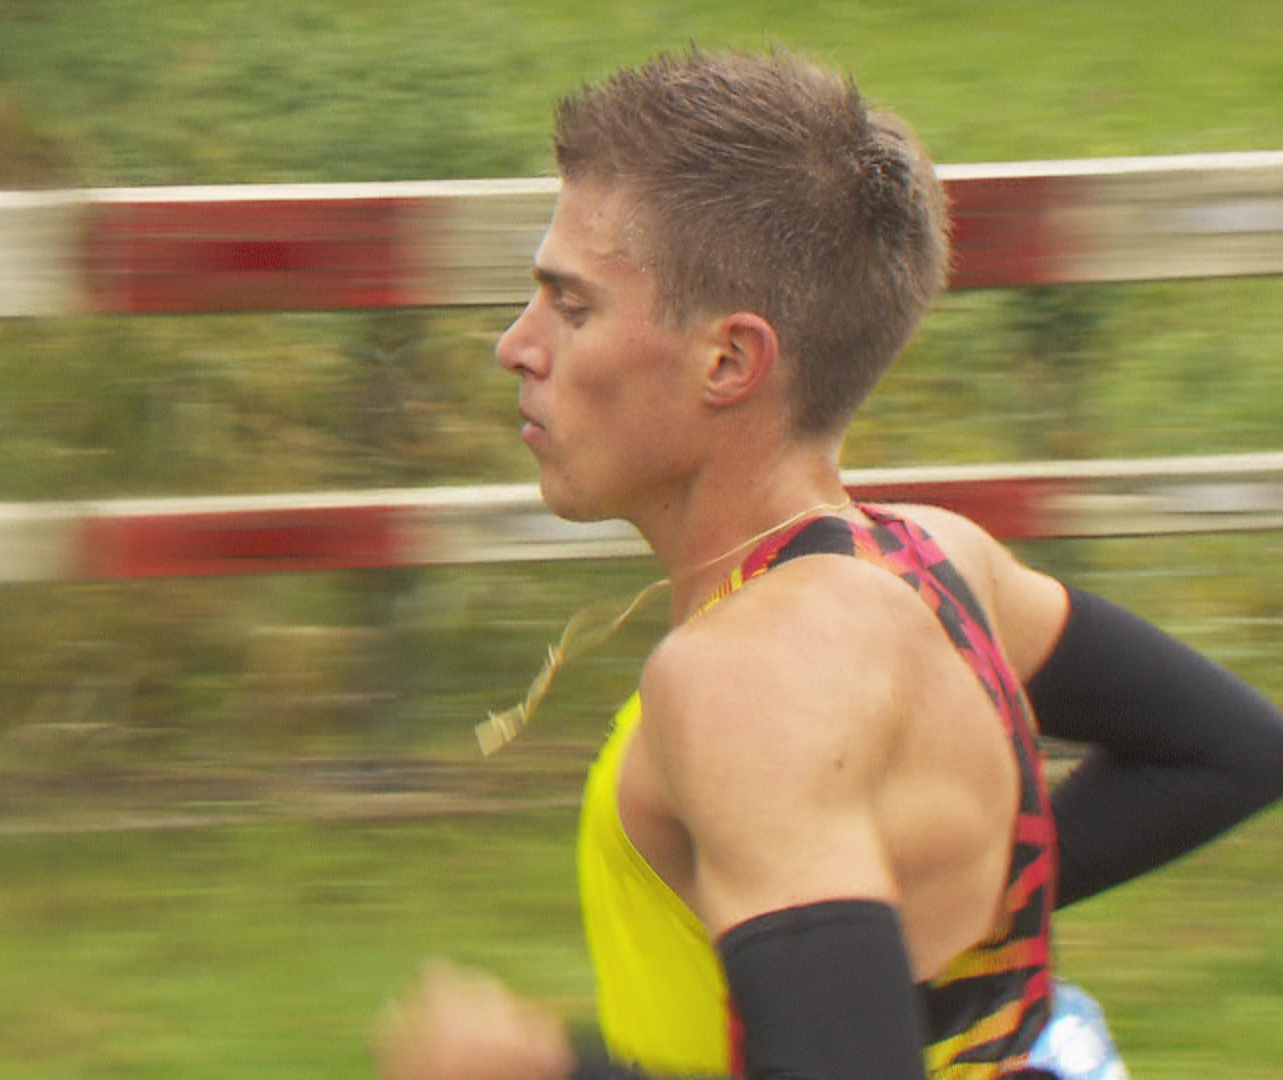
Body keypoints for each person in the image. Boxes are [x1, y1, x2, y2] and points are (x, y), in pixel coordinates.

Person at [371, 46, 1283, 1080]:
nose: (515, 345)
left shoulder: (748, 682)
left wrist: (547, 1070)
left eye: (571, 307)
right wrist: (907, 932)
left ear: (730, 361)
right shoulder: (940, 560)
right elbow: (1230, 750)